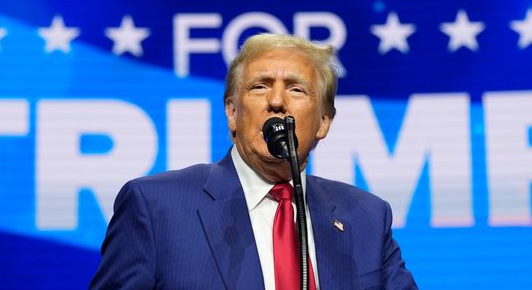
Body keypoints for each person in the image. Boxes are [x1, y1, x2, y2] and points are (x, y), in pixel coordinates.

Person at [90, 33, 418, 289]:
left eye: (297, 90)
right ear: (232, 112)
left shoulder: (366, 217)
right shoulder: (156, 206)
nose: (276, 101)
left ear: (323, 123)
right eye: (260, 87)